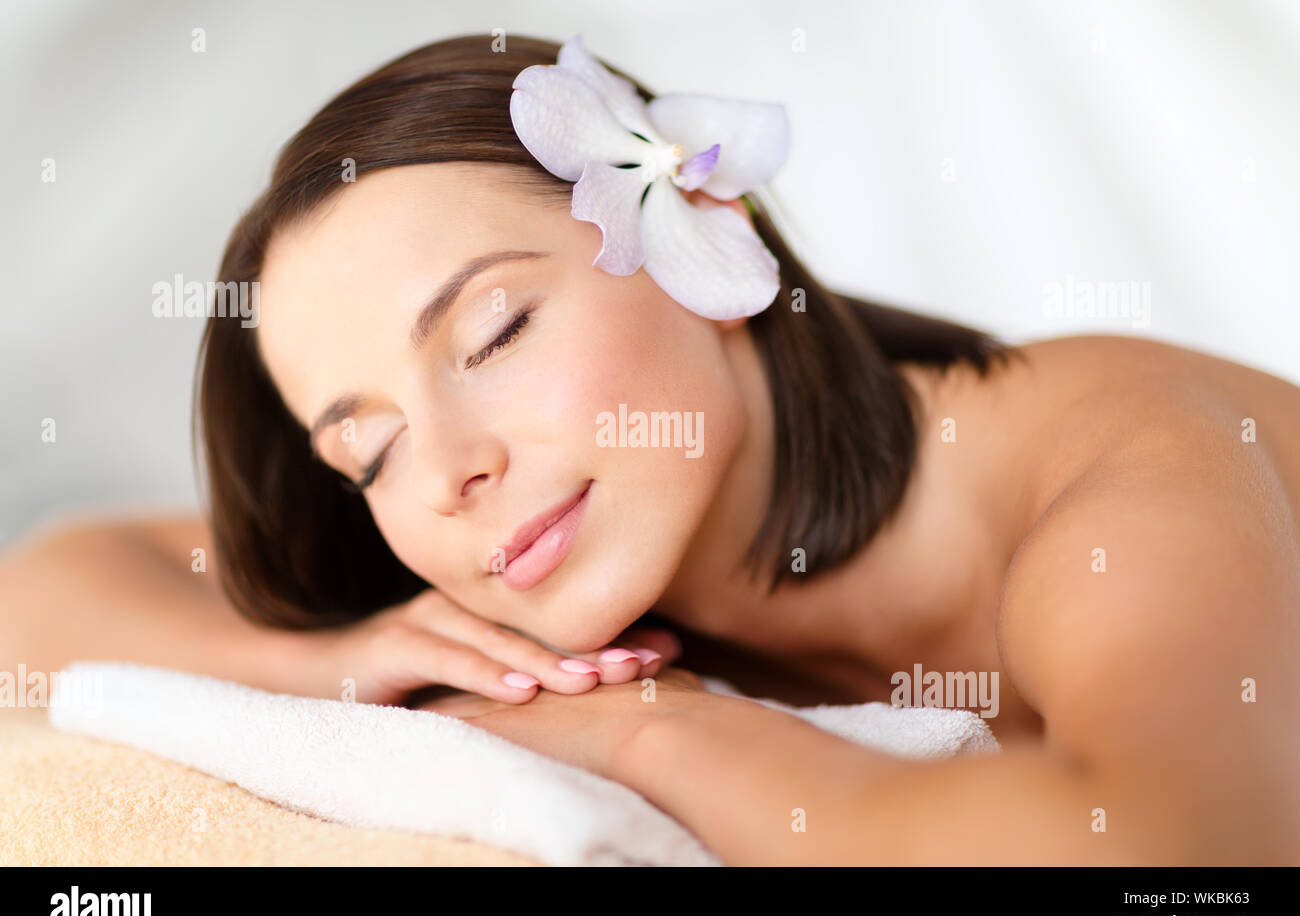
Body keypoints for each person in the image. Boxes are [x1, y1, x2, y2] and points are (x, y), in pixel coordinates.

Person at [4, 34, 1297, 864]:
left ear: (702, 229)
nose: (447, 468)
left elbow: (1179, 865)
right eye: (369, 452)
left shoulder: (1119, 463)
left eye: (496, 330)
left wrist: (650, 737)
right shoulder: (533, 546)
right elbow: (36, 595)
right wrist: (331, 656)